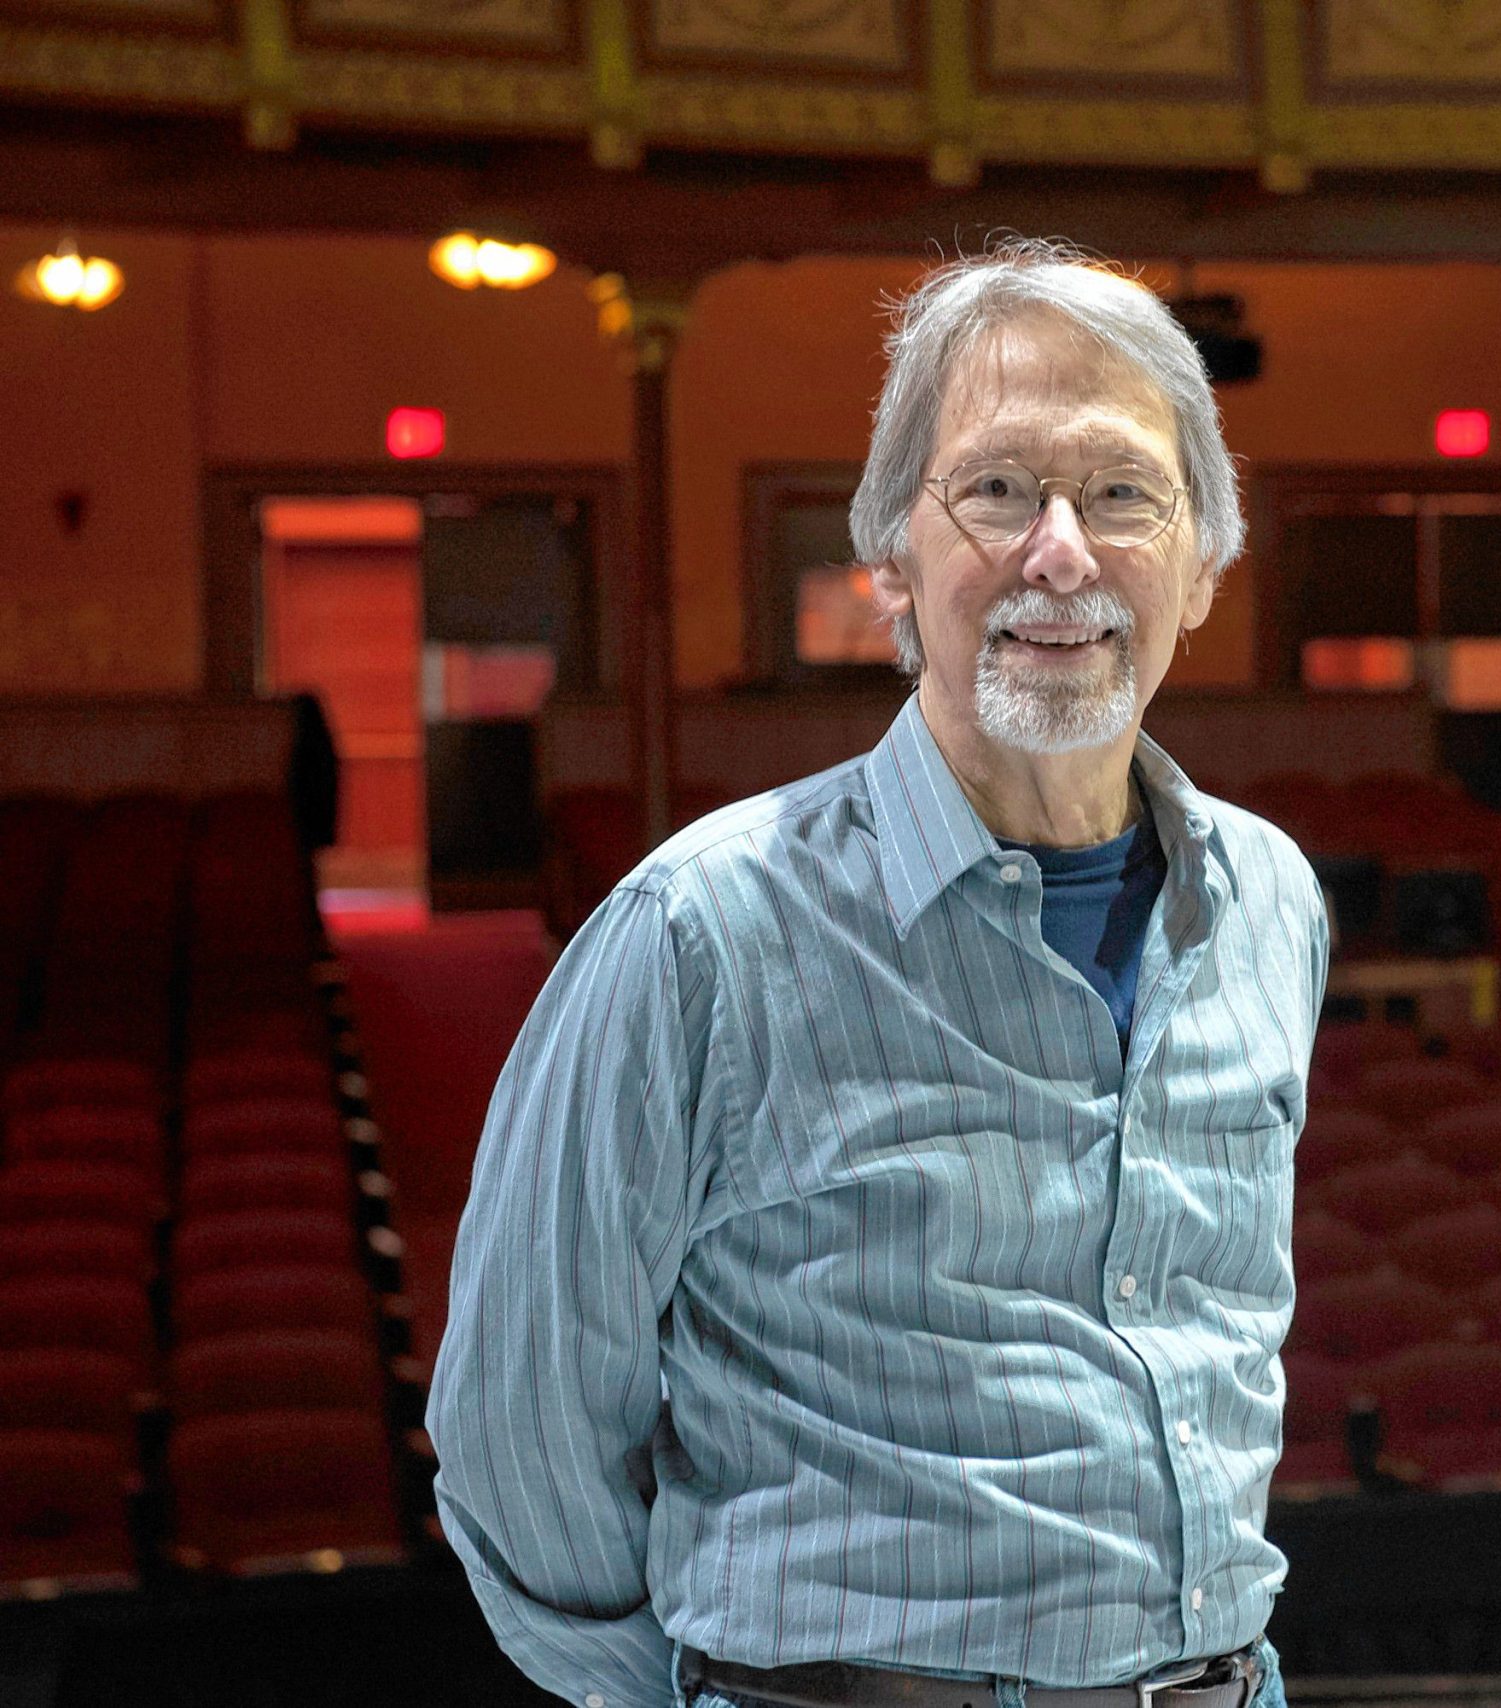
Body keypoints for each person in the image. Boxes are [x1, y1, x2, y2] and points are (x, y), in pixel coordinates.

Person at [426, 237, 1328, 1708]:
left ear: (1204, 568)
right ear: (893, 564)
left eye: (1122, 496)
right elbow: (523, 1437)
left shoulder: (1269, 900)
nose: (1062, 550)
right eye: (994, 490)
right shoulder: (700, 929)